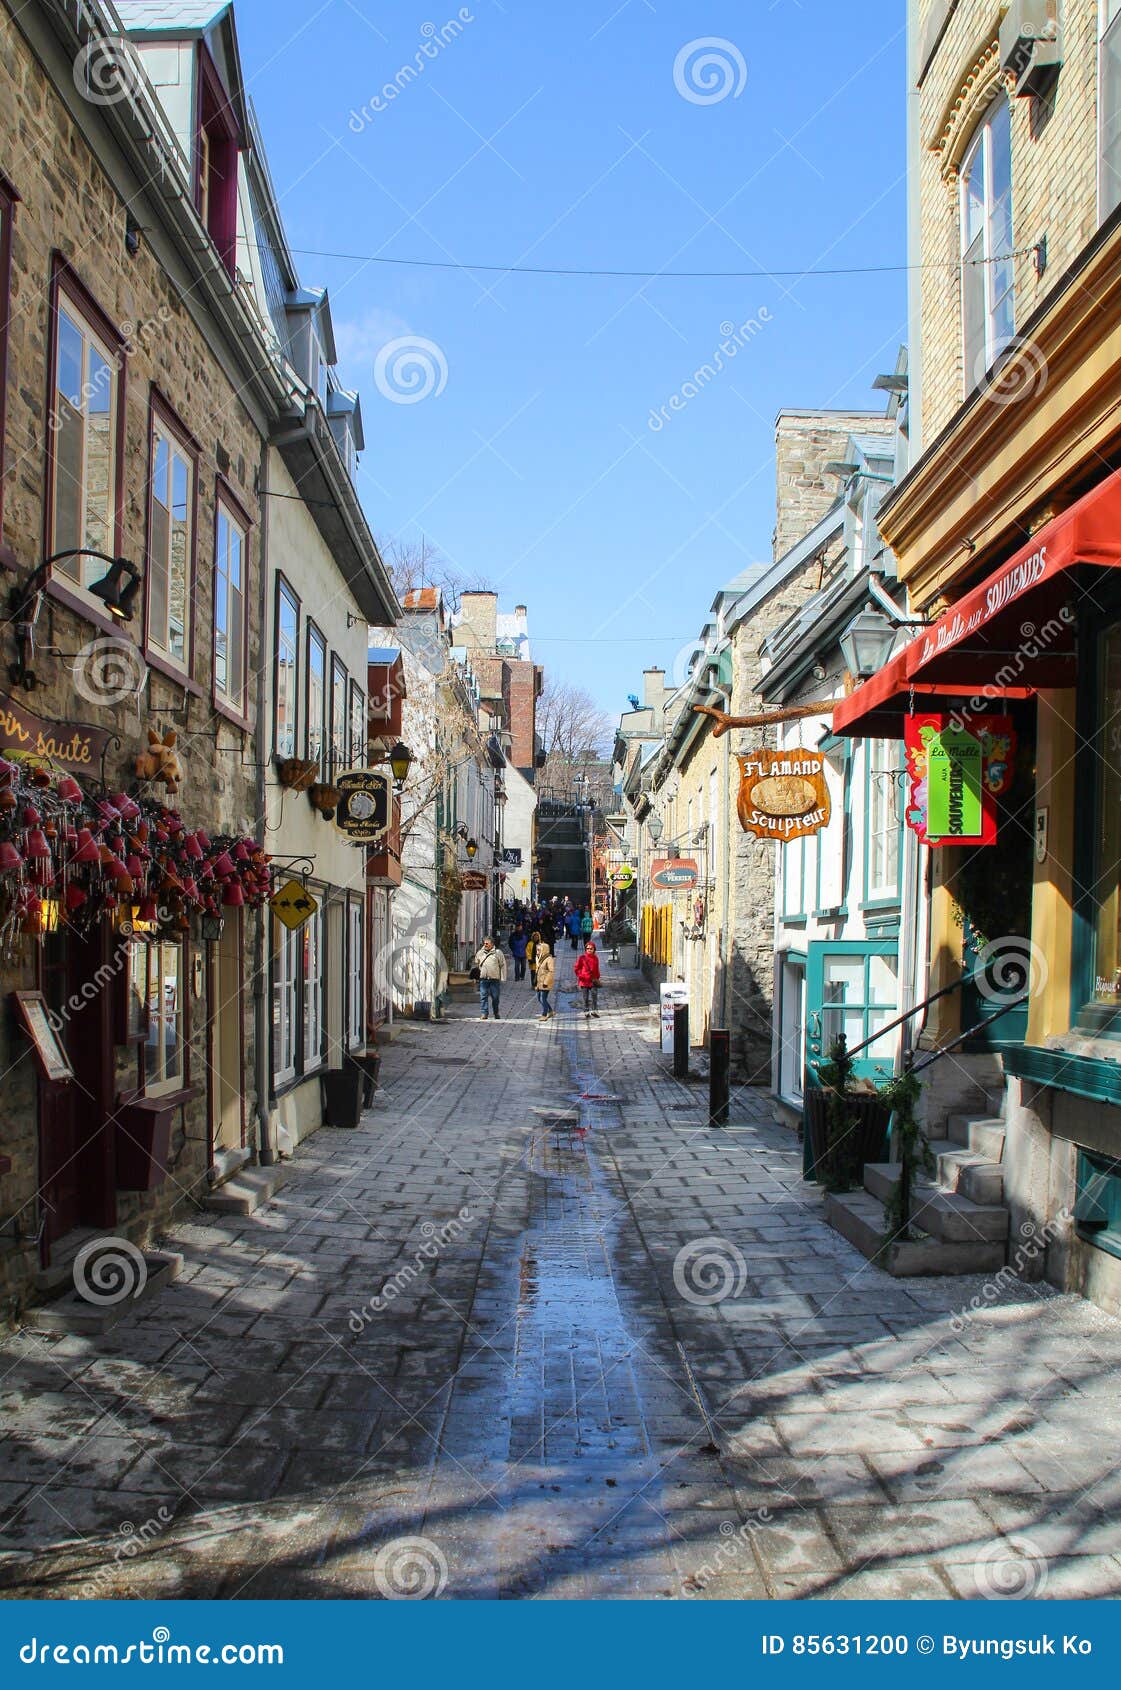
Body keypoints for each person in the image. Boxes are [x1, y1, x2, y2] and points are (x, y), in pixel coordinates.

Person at [472, 937, 506, 1020]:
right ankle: (484, 1013)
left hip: (494, 979)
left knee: (495, 997)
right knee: (483, 996)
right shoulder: (480, 953)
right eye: (484, 943)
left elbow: (503, 965)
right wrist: (474, 977)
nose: (485, 944)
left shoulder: (498, 953)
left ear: (492, 944)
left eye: (487, 943)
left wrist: (503, 977)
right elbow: (475, 964)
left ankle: (496, 1012)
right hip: (483, 979)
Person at [574, 940, 601, 1018]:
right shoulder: (582, 958)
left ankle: (594, 1011)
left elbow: (597, 969)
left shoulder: (596, 958)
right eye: (588, 948)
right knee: (585, 997)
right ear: (586, 949)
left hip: (593, 980)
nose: (589, 950)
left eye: (591, 948)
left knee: (594, 995)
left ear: (594, 950)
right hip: (584, 981)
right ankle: (586, 1011)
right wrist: (581, 975)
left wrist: (598, 977)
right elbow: (576, 968)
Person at [534, 941, 555, 1020]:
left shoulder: (549, 959)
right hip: (540, 982)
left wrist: (546, 982)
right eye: (537, 950)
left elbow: (551, 971)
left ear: (544, 950)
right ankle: (551, 1011)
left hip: (546, 983)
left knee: (543, 998)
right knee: (540, 998)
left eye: (539, 950)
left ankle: (544, 1014)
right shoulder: (539, 958)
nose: (537, 952)